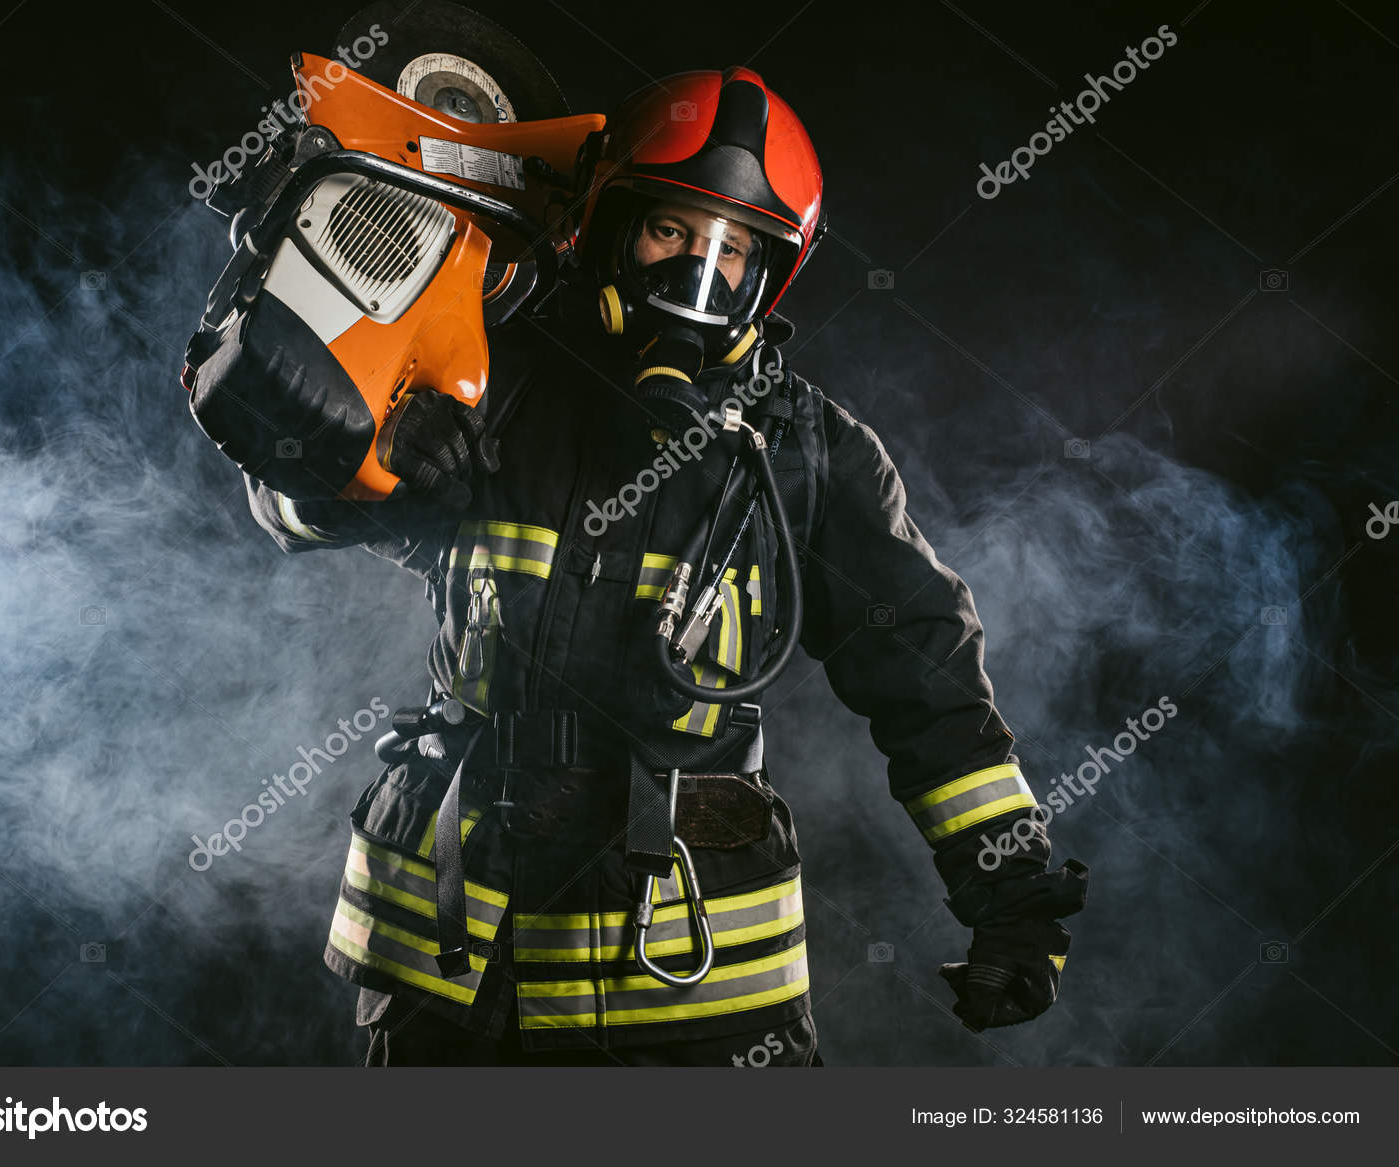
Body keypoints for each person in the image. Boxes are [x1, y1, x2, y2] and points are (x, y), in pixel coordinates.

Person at [196, 67, 1088, 1065]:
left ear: (768, 275)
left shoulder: (808, 457)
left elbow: (928, 687)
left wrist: (1013, 901)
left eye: (732, 249)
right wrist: (370, 465)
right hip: (452, 986)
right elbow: (290, 515)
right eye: (670, 232)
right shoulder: (491, 380)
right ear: (610, 227)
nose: (694, 274)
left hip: (690, 998)